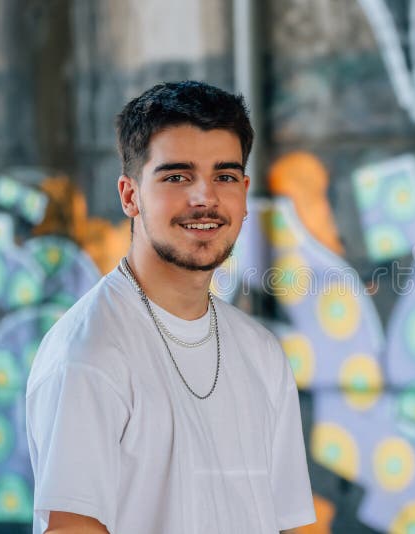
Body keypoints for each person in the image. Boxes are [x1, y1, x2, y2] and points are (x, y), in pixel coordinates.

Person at [26, 81, 316, 534]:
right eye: (177, 177)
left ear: (244, 191)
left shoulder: (260, 352)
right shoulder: (89, 354)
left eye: (224, 176)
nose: (204, 198)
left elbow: (289, 525)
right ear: (129, 196)